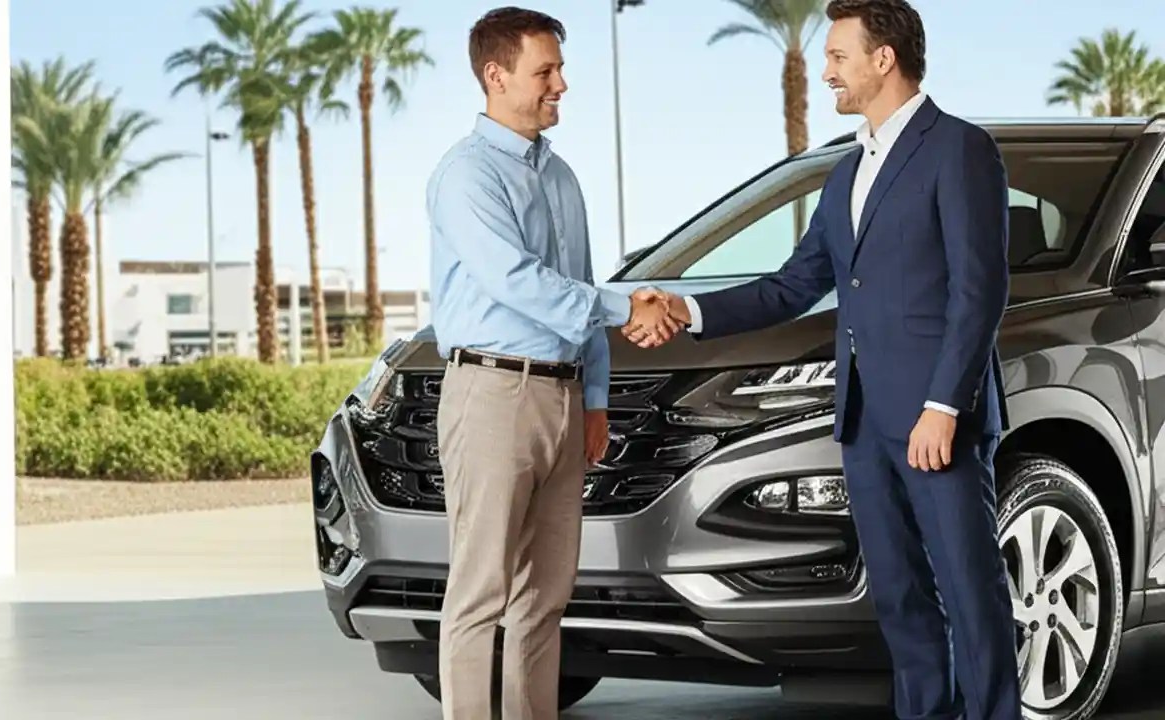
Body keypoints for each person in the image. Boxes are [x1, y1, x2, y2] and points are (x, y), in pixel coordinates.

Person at [625, 1, 1021, 718]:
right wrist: (689, 310)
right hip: (863, 424)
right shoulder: (846, 173)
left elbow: (979, 290)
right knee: (899, 597)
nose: (826, 69)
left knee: (970, 589)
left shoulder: (959, 149)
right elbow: (792, 286)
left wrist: (944, 406)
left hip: (939, 421)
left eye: (838, 55)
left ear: (883, 59)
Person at [426, 7, 680, 720]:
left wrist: (595, 398)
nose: (560, 84)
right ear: (495, 75)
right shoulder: (465, 176)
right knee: (480, 591)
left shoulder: (562, 177)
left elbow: (579, 282)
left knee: (546, 596)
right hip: (492, 395)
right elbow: (519, 282)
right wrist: (629, 306)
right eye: (546, 71)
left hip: (563, 403)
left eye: (560, 69)